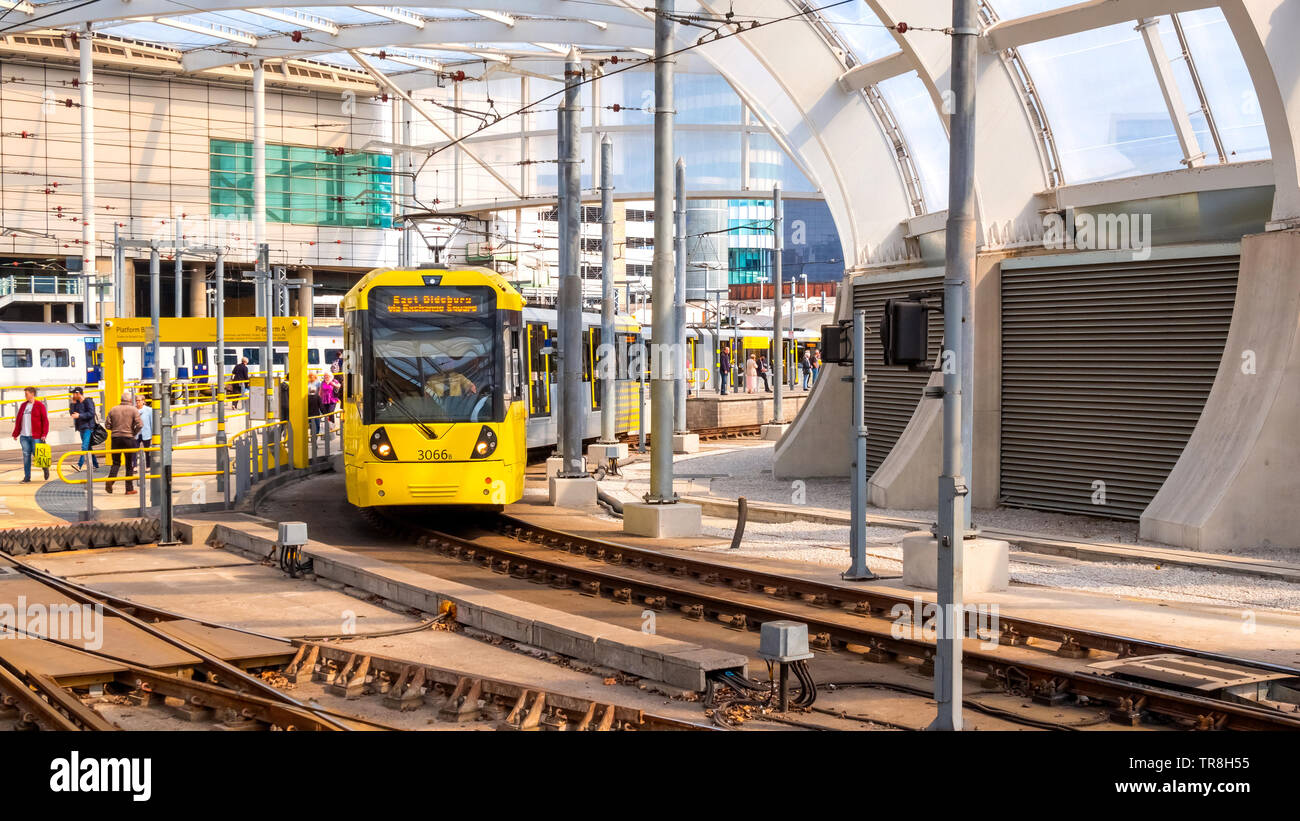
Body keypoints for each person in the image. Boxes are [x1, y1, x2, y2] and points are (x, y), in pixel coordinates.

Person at [105, 390, 142, 495]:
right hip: (128, 439)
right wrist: (133, 433)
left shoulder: (113, 409)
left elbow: (107, 425)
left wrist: (114, 429)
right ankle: (129, 489)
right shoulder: (133, 410)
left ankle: (110, 481)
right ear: (130, 400)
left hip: (115, 439)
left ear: (121, 400)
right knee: (129, 464)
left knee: (116, 462)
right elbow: (140, 425)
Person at [12, 387, 50, 483]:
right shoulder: (23, 405)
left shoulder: (39, 405)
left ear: (32, 394)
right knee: (26, 456)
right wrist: (16, 433)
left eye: (26, 394)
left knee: (37, 455)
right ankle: (27, 477)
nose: (25, 396)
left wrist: (44, 434)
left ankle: (45, 467)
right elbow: (18, 420)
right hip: (24, 436)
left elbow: (45, 421)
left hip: (36, 436)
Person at [68, 387, 100, 471]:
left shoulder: (88, 401)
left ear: (78, 393)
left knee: (84, 446)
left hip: (88, 427)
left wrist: (80, 415)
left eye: (74, 394)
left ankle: (79, 465)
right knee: (88, 447)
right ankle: (95, 465)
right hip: (81, 428)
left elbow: (91, 413)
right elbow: (72, 414)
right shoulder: (77, 403)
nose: (73, 395)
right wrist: (73, 403)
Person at [135, 393, 153, 470]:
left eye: (139, 400)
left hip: (146, 433)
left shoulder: (149, 410)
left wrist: (153, 435)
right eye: (136, 400)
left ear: (143, 401)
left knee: (147, 451)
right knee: (134, 450)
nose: (137, 402)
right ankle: (134, 466)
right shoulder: (133, 410)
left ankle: (148, 466)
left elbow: (151, 422)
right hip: (136, 433)